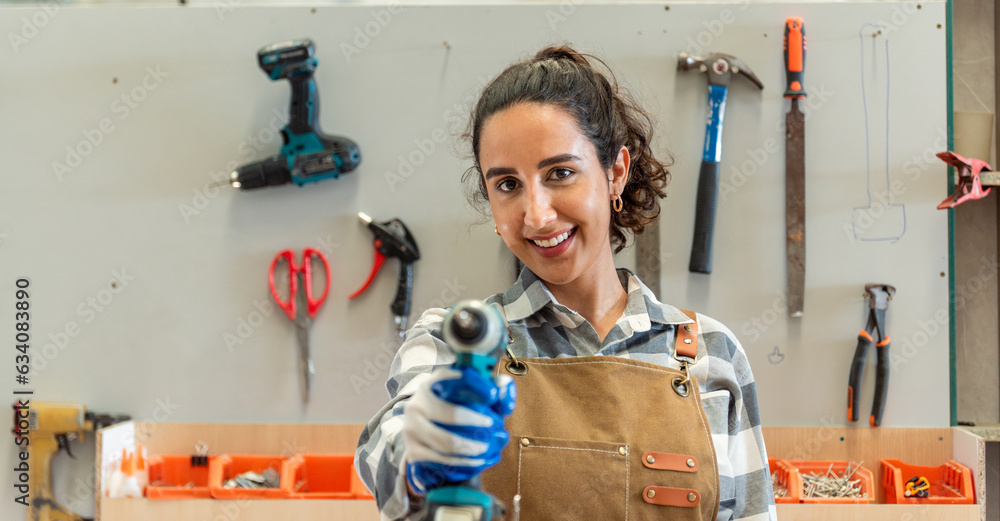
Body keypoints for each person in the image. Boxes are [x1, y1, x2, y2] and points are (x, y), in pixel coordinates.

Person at [356, 45, 777, 521]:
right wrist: (423, 446)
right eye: (508, 184)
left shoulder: (711, 352)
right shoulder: (455, 342)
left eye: (560, 173)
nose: (536, 214)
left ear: (615, 173)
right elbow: (386, 471)